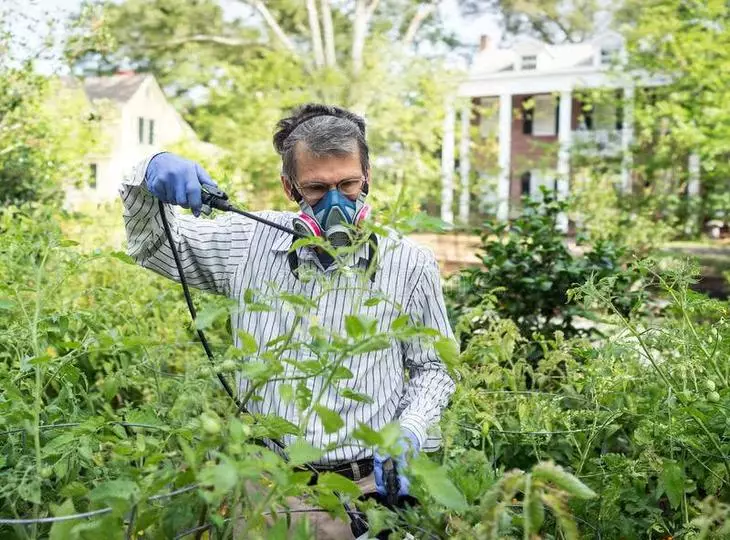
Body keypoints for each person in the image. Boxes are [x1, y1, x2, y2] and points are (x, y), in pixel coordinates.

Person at [119, 103, 456, 538]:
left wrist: (409, 429)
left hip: (369, 490)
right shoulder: (247, 242)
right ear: (289, 187)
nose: (336, 203)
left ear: (367, 177)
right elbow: (156, 248)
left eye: (348, 184)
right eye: (316, 188)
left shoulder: (408, 263)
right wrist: (147, 171)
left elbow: (434, 366)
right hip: (268, 490)